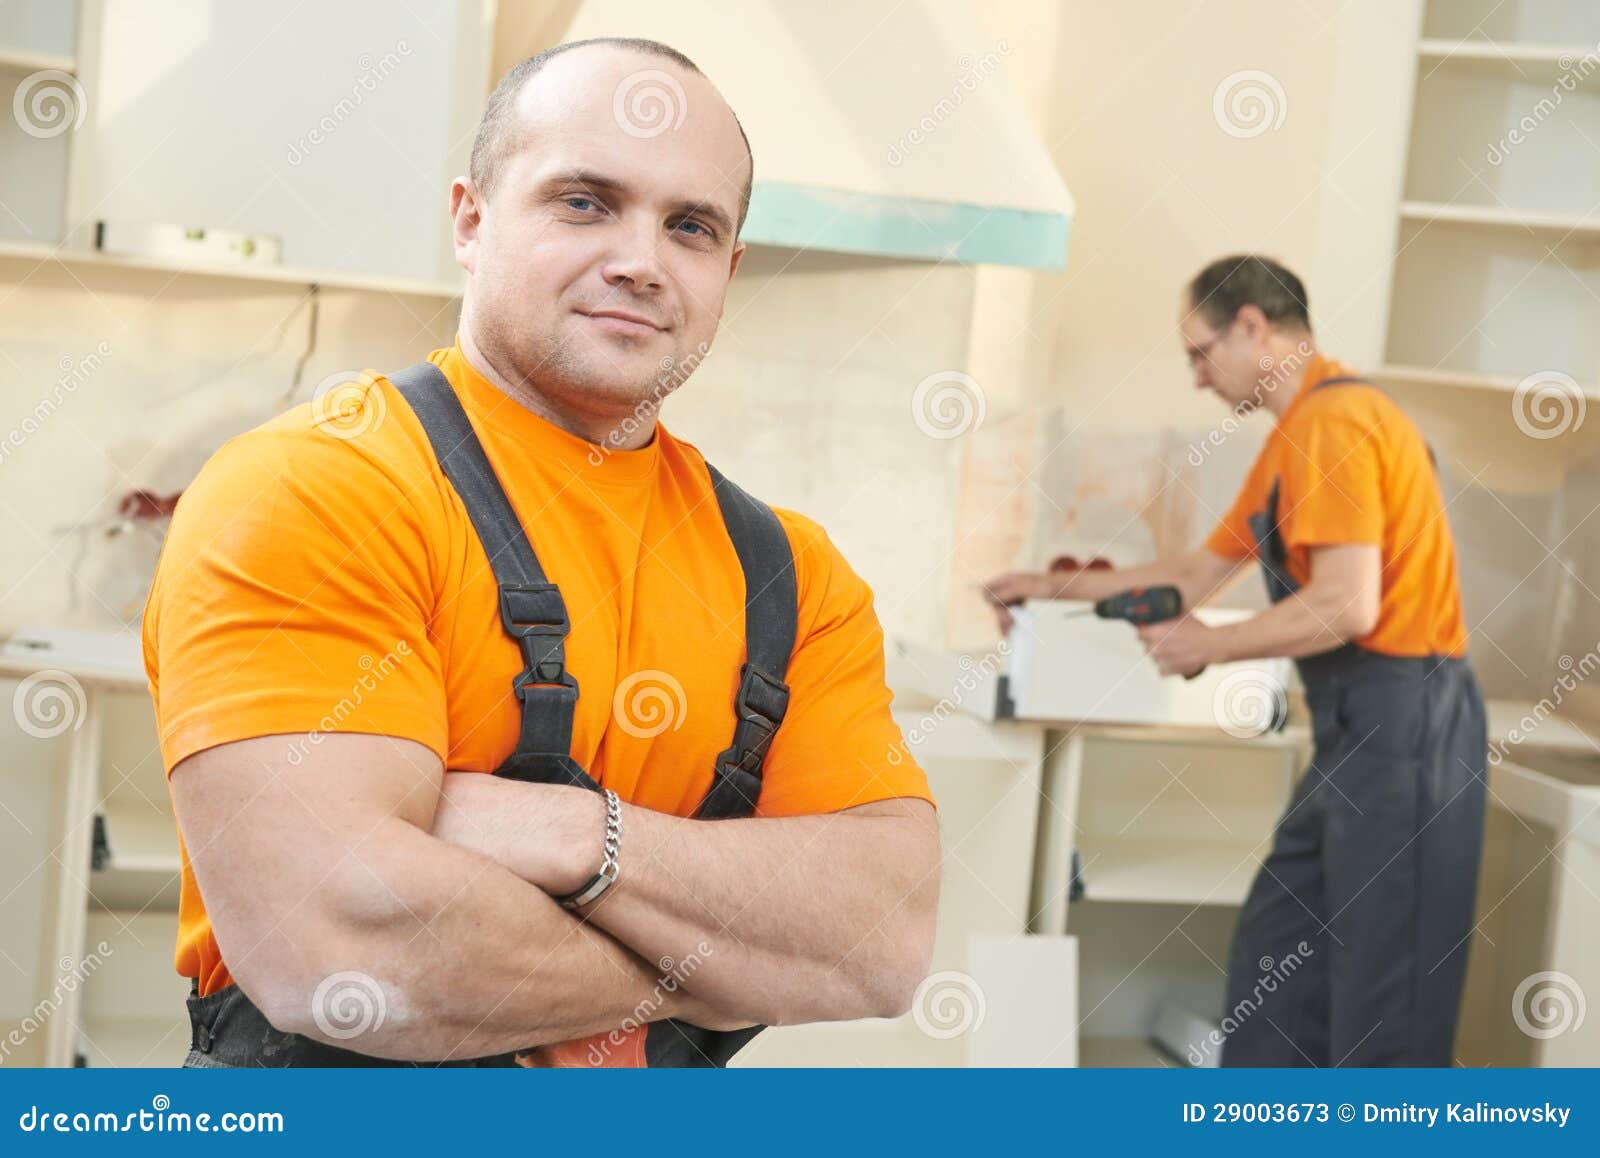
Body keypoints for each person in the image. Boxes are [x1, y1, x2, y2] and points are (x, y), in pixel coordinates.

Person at [144, 36, 940, 1069]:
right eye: (584, 202)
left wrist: (575, 837)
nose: (641, 262)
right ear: (471, 220)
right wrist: (731, 959)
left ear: (728, 268)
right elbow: (338, 948)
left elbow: (881, 942)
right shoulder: (319, 489)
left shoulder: (790, 575)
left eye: (690, 227)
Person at [985, 255, 1486, 1067]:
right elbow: (1194, 576)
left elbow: (1347, 603)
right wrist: (1049, 587)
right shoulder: (1294, 436)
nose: (1195, 378)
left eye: (1200, 352)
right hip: (1355, 738)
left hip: (1408, 733)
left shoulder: (1337, 422)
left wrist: (1210, 645)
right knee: (1277, 973)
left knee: (1383, 1013)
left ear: (1253, 327)